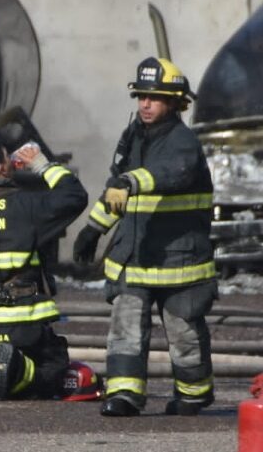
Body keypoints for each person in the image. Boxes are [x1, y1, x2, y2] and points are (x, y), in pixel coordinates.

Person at [72, 56, 218, 417]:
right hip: (134, 256)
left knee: (183, 332)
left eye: (153, 98)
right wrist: (94, 227)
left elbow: (170, 174)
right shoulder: (133, 136)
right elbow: (117, 190)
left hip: (179, 260)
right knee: (125, 329)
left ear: (174, 102)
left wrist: (131, 181)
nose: (145, 104)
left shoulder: (184, 142)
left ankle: (193, 394)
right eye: (141, 97)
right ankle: (124, 395)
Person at [0, 136, 89, 400]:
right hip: (21, 328)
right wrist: (42, 165)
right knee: (54, 367)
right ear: (2, 168)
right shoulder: (26, 205)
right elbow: (74, 195)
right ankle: (16, 367)